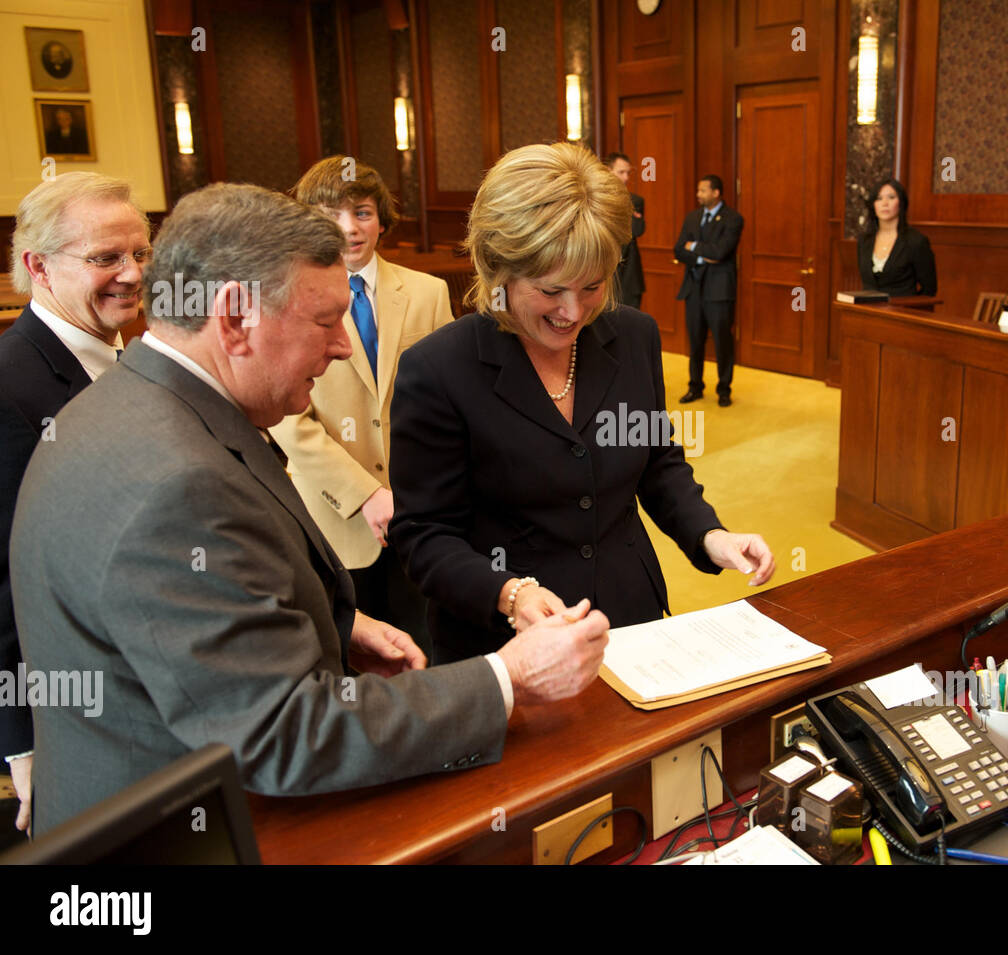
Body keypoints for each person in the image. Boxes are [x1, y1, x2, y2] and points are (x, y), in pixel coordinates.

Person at [10, 182, 609, 834]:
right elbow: (284, 735)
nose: (344, 347)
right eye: (325, 322)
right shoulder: (176, 487)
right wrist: (509, 675)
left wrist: (334, 625)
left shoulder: (142, 399)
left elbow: (171, 613)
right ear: (236, 319)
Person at [390, 143, 774, 664]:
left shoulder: (633, 336)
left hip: (631, 623)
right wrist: (511, 594)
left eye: (592, 286)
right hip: (507, 645)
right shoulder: (438, 369)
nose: (573, 313)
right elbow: (424, 537)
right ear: (498, 270)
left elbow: (657, 465)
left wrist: (711, 535)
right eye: (551, 291)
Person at [0, 172, 149, 834]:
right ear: (38, 267)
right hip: (69, 725)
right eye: (106, 258)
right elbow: (6, 579)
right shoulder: (9, 385)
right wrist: (23, 745)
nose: (132, 273)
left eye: (141, 254)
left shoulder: (135, 360)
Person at [269, 156, 453, 654]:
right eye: (332, 214)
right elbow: (288, 419)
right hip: (335, 513)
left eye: (363, 212)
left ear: (382, 219)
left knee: (427, 647)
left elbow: (448, 403)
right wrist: (366, 493)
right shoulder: (285, 301)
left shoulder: (428, 293)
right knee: (348, 657)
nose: (349, 228)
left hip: (420, 511)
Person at [673, 174, 744, 406]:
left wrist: (693, 247)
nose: (698, 195)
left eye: (702, 190)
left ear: (716, 193)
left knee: (722, 341)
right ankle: (695, 387)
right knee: (695, 342)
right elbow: (678, 251)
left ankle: (724, 389)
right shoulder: (692, 217)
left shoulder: (733, 219)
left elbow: (721, 252)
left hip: (719, 292)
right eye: (698, 190)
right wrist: (704, 257)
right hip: (694, 289)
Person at [856, 178, 936, 297]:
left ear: (901, 203)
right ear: (873, 205)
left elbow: (929, 289)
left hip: (902, 312)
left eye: (891, 197)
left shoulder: (916, 241)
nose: (885, 203)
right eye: (879, 198)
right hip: (868, 312)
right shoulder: (864, 241)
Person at [605, 152, 645, 309]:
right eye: (621, 172)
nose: (626, 177)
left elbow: (637, 229)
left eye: (628, 173)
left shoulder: (635, 200)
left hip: (630, 276)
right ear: (608, 171)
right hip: (604, 273)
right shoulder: (596, 197)